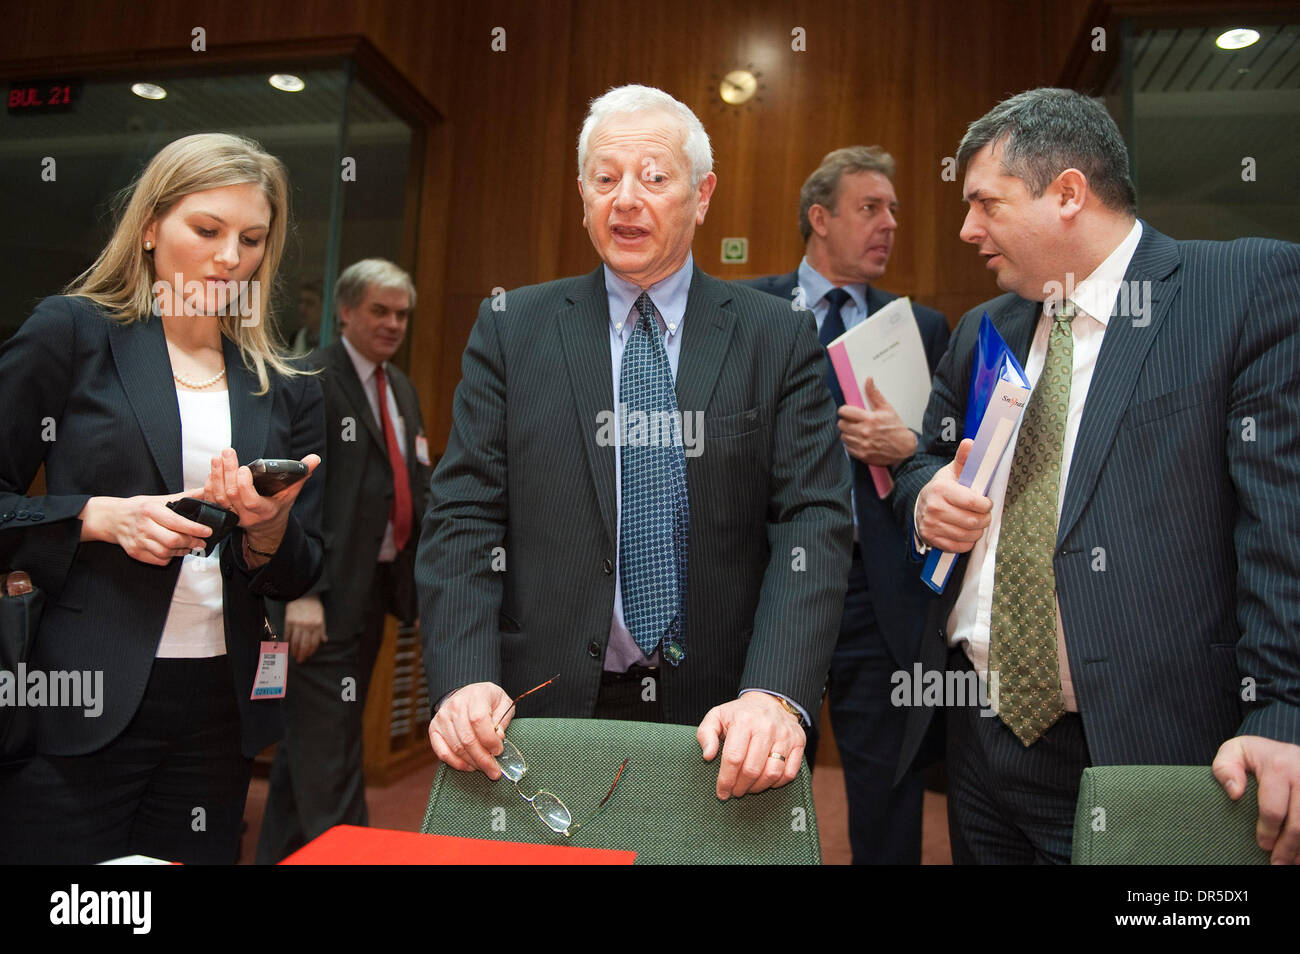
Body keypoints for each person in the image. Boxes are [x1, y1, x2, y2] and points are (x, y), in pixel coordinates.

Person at [894, 87, 1300, 864]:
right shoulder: (988, 328)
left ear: (1068, 193)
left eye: (986, 203)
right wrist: (924, 502)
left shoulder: (1237, 294)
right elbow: (923, 459)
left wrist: (1284, 711)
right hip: (978, 736)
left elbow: (1282, 526)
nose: (967, 229)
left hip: (1142, 744)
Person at [417, 84, 853, 802]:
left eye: (654, 177)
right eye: (605, 178)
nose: (626, 199)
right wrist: (466, 676)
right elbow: (464, 517)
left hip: (725, 719)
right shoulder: (510, 330)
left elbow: (813, 521)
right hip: (536, 712)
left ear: (702, 194)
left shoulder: (777, 336)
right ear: (581, 195)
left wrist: (774, 693)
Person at [0, 132, 324, 864]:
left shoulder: (284, 382)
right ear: (149, 227)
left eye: (250, 238)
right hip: (79, 695)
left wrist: (265, 529)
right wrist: (95, 516)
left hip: (219, 701)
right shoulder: (74, 332)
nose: (228, 257)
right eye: (205, 230)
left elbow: (303, 568)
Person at [744, 145, 949, 864]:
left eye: (893, 210)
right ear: (819, 218)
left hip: (880, 590)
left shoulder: (917, 326)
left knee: (889, 786)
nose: (889, 223)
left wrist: (906, 442)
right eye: (871, 208)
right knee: (756, 779)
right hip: (773, 582)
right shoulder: (748, 310)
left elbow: (952, 455)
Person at [257, 258, 431, 864]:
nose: (392, 324)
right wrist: (301, 591)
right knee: (330, 756)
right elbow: (286, 494)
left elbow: (413, 481)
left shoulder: (399, 386)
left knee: (316, 745)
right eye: (379, 311)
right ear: (346, 311)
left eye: (402, 314)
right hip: (319, 602)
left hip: (374, 594)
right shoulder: (309, 377)